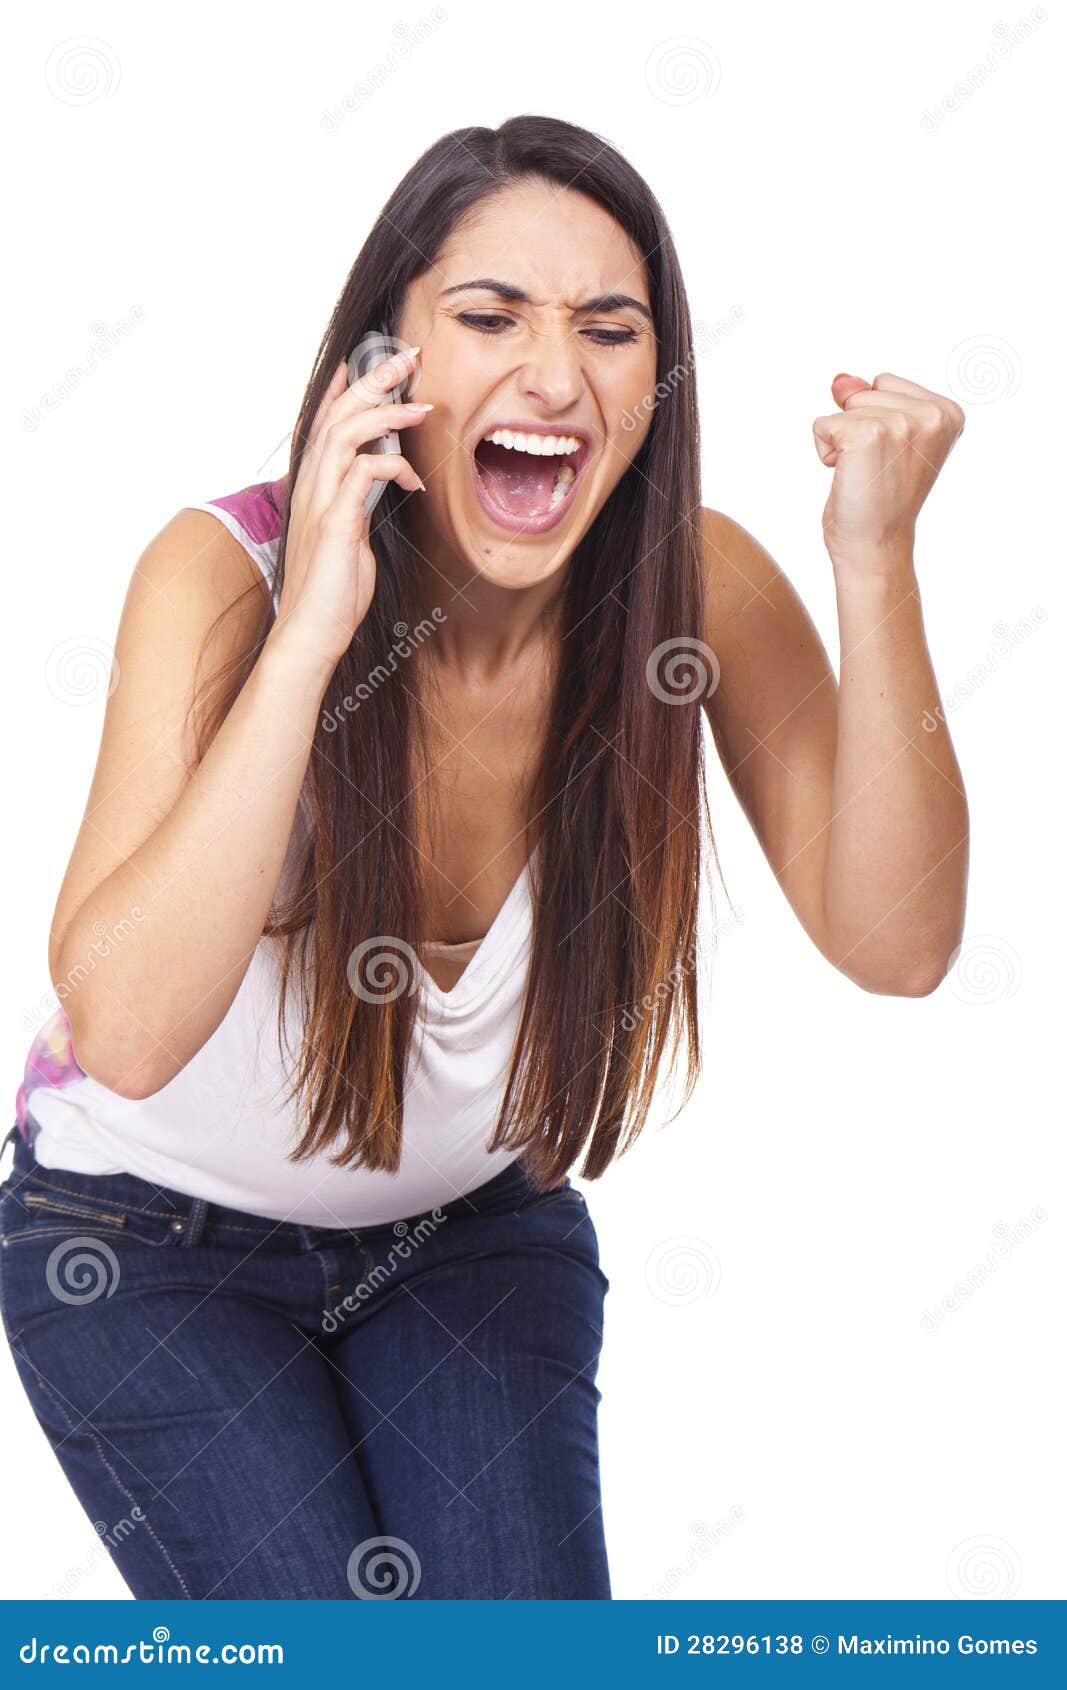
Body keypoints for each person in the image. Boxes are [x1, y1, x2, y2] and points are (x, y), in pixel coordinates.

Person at [0, 114, 968, 1600]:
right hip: (141, 1242)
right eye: (490, 316)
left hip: (466, 1235)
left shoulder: (692, 588)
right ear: (384, 357)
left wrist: (874, 558)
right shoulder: (224, 578)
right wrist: (313, 634)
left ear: (656, 384)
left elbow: (898, 942)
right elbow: (122, 1033)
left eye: (609, 329)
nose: (555, 375)